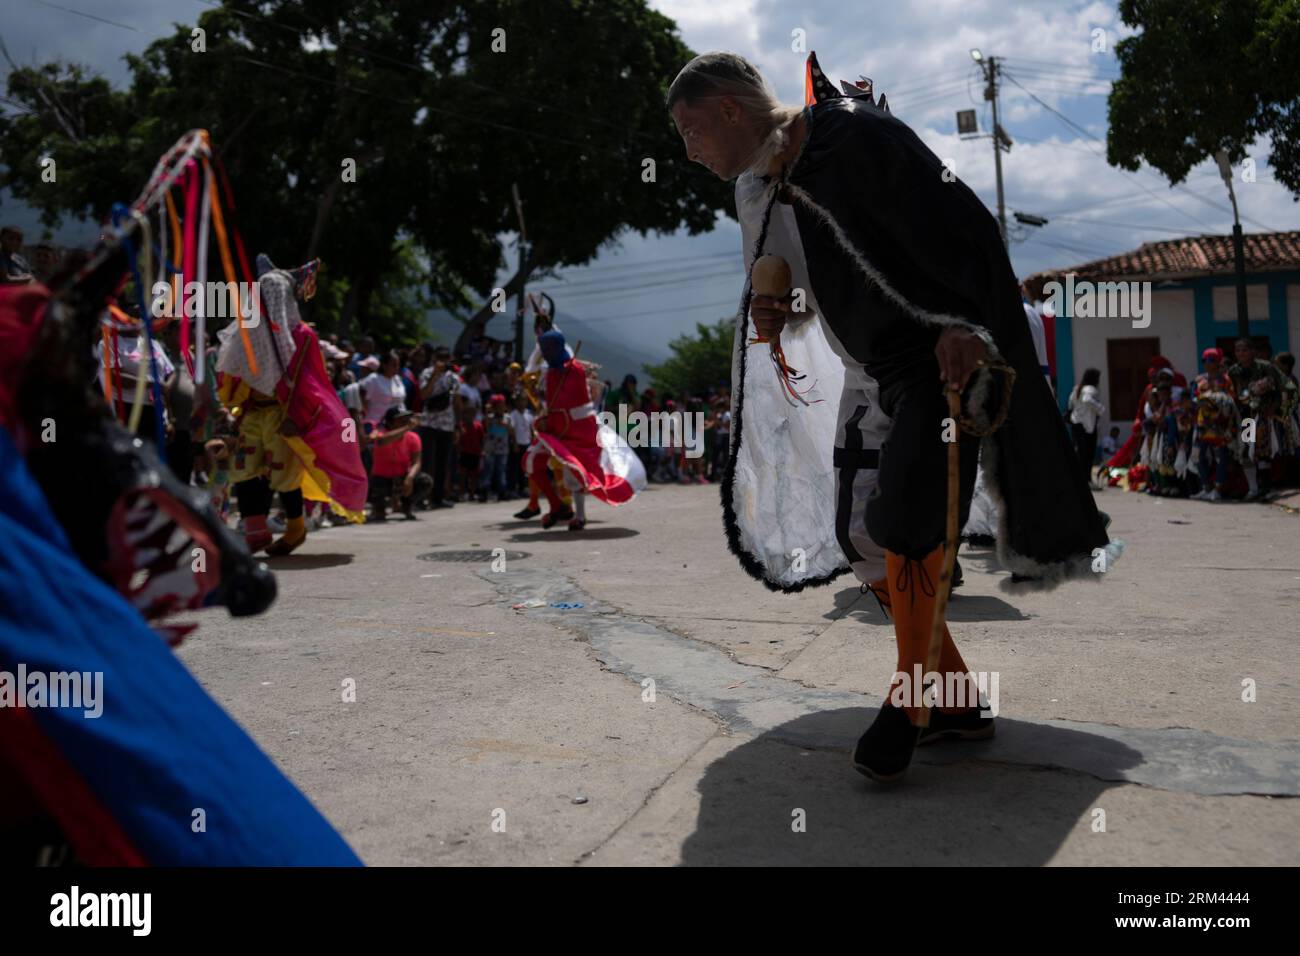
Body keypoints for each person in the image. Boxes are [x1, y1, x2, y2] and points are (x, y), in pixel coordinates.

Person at [668, 51, 1117, 783]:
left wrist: (963, 323)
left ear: (728, 110)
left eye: (691, 129)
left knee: (908, 514)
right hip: (871, 373)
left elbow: (962, 226)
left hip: (939, 358)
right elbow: (815, 292)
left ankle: (910, 699)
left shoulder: (855, 136)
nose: (687, 151)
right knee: (863, 537)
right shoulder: (759, 190)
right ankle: (958, 699)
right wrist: (782, 312)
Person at [523, 330, 637, 529]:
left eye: (548, 349)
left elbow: (572, 403)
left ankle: (580, 517)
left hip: (578, 431)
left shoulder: (574, 371)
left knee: (574, 471)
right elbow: (552, 404)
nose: (545, 353)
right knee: (530, 461)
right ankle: (557, 506)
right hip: (554, 428)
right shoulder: (551, 372)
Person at [1226, 337, 1292, 499]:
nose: (1241, 354)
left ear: (1252, 352)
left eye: (1245, 350)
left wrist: (1275, 407)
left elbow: (1285, 387)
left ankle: (1265, 489)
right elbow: (1232, 392)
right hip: (1245, 416)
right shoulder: (1234, 371)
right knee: (1247, 452)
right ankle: (1253, 489)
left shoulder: (1266, 367)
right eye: (1238, 350)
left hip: (1263, 415)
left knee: (1263, 452)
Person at [416, 345, 461, 509]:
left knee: (443, 463)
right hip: (428, 422)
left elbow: (456, 402)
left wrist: (458, 426)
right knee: (426, 461)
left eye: (446, 357)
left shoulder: (454, 378)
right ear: (434, 359)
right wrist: (435, 374)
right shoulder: (427, 373)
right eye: (440, 357)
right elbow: (423, 395)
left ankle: (438, 497)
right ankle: (420, 497)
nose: (443, 360)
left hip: (447, 424)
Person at [369, 406, 429, 521]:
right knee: (379, 513)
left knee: (424, 481)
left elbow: (417, 462)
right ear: (390, 422)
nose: (405, 421)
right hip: (381, 479)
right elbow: (381, 441)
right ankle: (378, 507)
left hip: (402, 477)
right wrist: (407, 427)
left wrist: (410, 478)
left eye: (407, 418)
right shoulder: (379, 432)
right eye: (401, 419)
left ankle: (406, 505)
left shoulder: (413, 437)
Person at [1067, 368, 1105, 487]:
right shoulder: (1090, 389)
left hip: (1076, 423)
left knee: (1081, 453)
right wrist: (1100, 409)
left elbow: (1070, 403)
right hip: (1087, 426)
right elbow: (1087, 400)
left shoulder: (1078, 388)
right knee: (1088, 454)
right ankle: (1086, 480)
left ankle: (1080, 480)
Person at [359, 352, 406, 428]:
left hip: (395, 425)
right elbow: (361, 398)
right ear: (384, 365)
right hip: (375, 424)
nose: (397, 367)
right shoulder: (373, 379)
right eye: (394, 365)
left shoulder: (397, 379)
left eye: (398, 365)